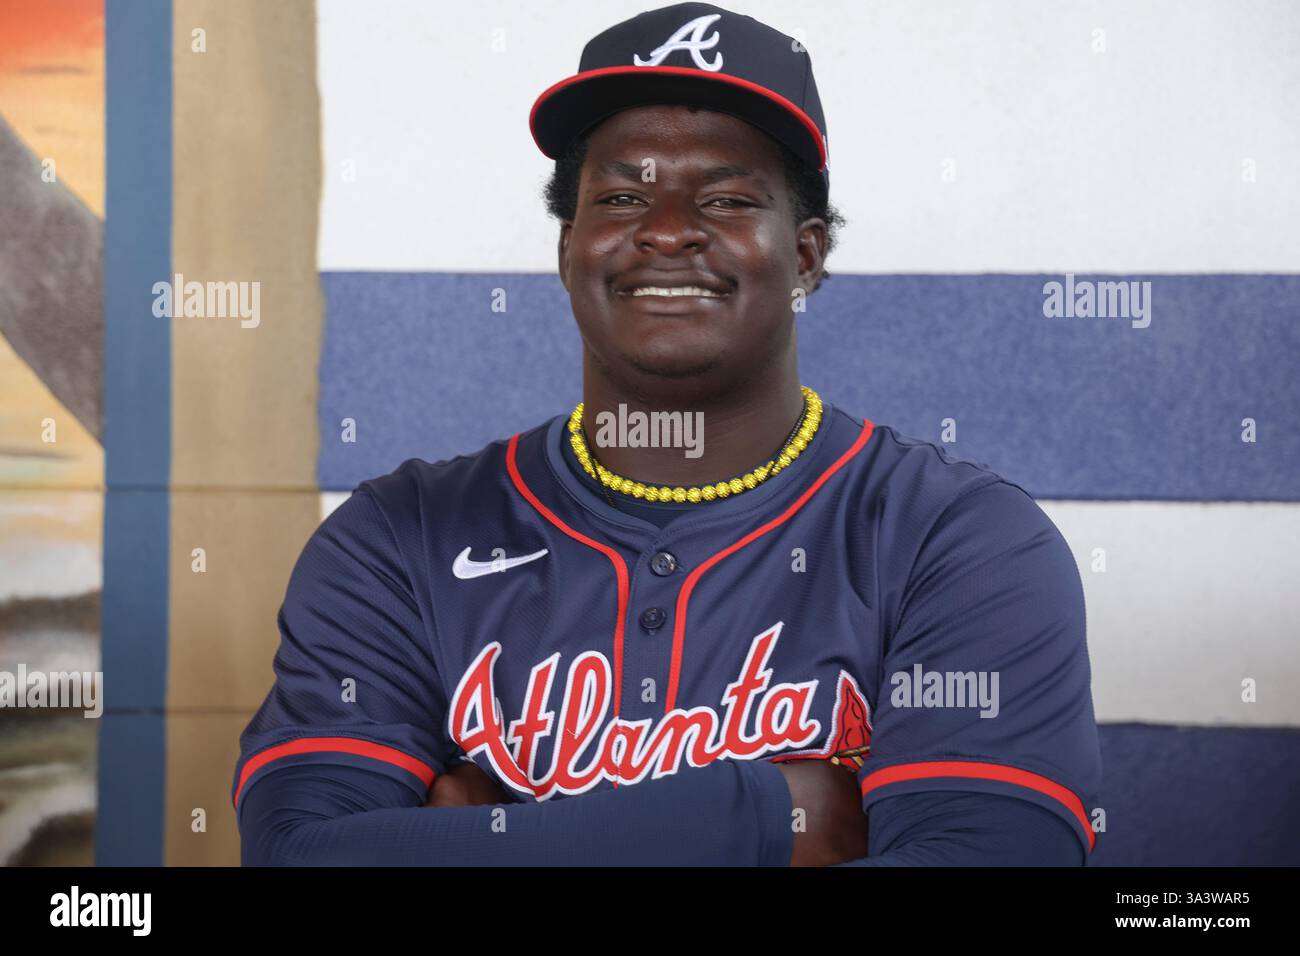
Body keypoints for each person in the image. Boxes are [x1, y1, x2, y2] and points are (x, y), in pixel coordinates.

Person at [234, 2, 1101, 866]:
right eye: (622, 195)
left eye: (725, 198)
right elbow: (297, 856)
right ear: (570, 247)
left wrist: (483, 835)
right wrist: (767, 816)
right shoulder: (399, 536)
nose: (668, 229)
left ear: (804, 256)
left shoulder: (957, 539)